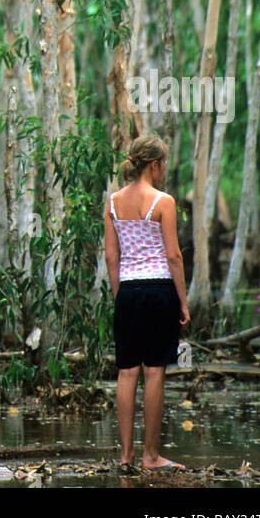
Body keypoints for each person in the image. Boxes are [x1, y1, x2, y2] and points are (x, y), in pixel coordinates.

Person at [103, 132, 190, 472]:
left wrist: (120, 295)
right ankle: (150, 456)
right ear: (154, 165)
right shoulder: (163, 202)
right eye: (163, 163)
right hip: (158, 291)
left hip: (128, 291)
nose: (164, 169)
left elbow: (112, 257)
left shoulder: (113, 202)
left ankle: (125, 457)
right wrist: (183, 302)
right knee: (154, 372)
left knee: (126, 372)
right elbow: (174, 256)